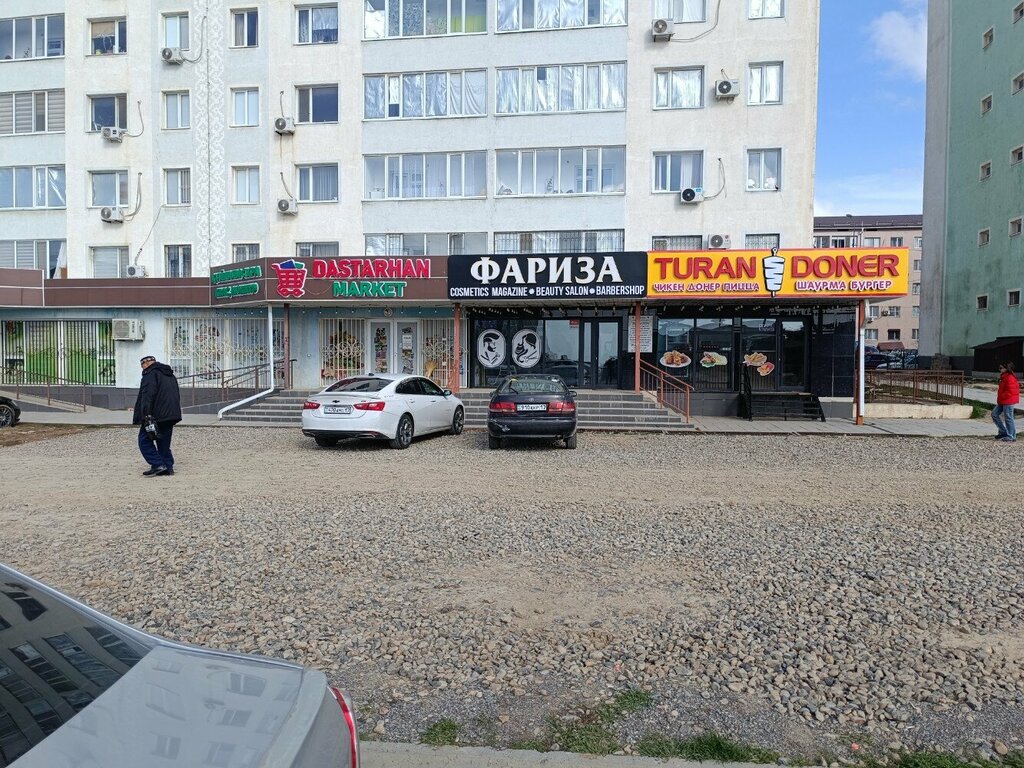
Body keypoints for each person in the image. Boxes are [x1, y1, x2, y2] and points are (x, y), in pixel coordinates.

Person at [132, 356, 182, 476]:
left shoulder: (150, 374)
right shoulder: (169, 374)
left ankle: (158, 464)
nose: (142, 368)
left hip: (155, 414)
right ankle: (168, 467)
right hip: (170, 414)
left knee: (143, 440)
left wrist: (146, 415)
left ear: (146, 364)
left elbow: (147, 396)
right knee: (163, 442)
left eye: (142, 365)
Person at [993, 361, 1019, 443]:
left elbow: (1010, 391)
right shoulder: (1004, 376)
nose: (999, 369)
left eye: (1001, 368)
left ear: (1006, 368)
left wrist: (1002, 397)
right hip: (1003, 400)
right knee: (994, 414)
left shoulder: (1010, 377)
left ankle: (1011, 436)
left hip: (1008, 401)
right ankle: (1003, 432)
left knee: (1008, 418)